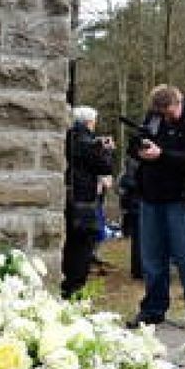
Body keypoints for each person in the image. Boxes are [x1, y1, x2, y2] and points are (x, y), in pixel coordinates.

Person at [128, 84, 185, 330]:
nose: (165, 117)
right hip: (151, 198)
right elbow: (132, 146)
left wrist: (162, 154)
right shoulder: (152, 119)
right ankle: (153, 309)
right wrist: (140, 151)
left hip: (182, 199)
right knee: (152, 258)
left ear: (178, 104)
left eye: (168, 112)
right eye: (160, 112)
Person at [62, 106, 115, 299]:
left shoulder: (68, 138)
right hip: (84, 201)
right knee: (82, 247)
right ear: (89, 122)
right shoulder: (87, 142)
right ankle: (75, 288)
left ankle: (68, 284)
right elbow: (105, 167)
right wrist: (106, 150)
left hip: (70, 198)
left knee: (70, 245)